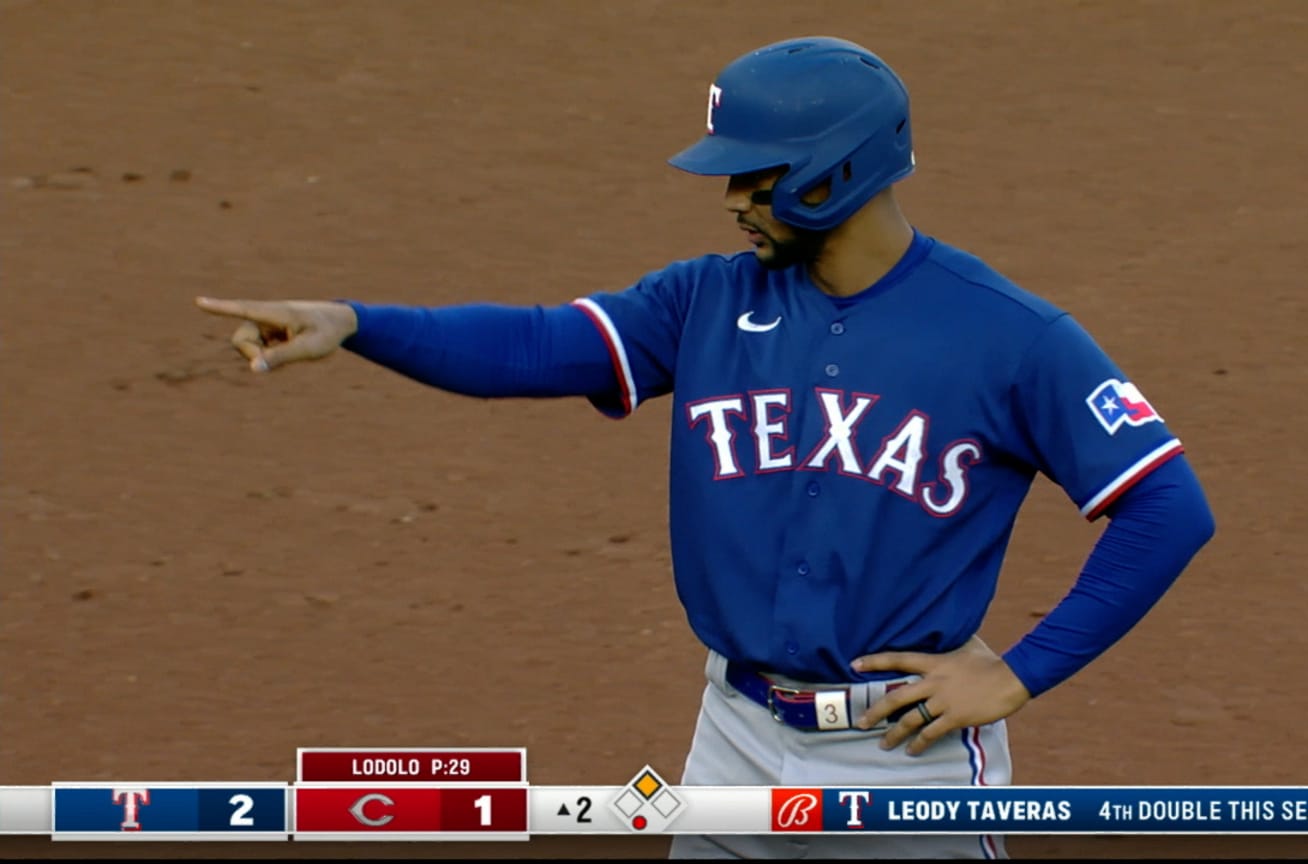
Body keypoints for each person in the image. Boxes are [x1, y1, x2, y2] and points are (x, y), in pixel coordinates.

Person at [196, 36, 1215, 860]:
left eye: (756, 177)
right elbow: (538, 345)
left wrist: (1022, 673)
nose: (733, 200)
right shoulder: (705, 301)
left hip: (902, 760)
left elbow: (1167, 505)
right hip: (734, 741)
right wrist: (355, 323)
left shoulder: (1008, 335)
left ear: (834, 173)